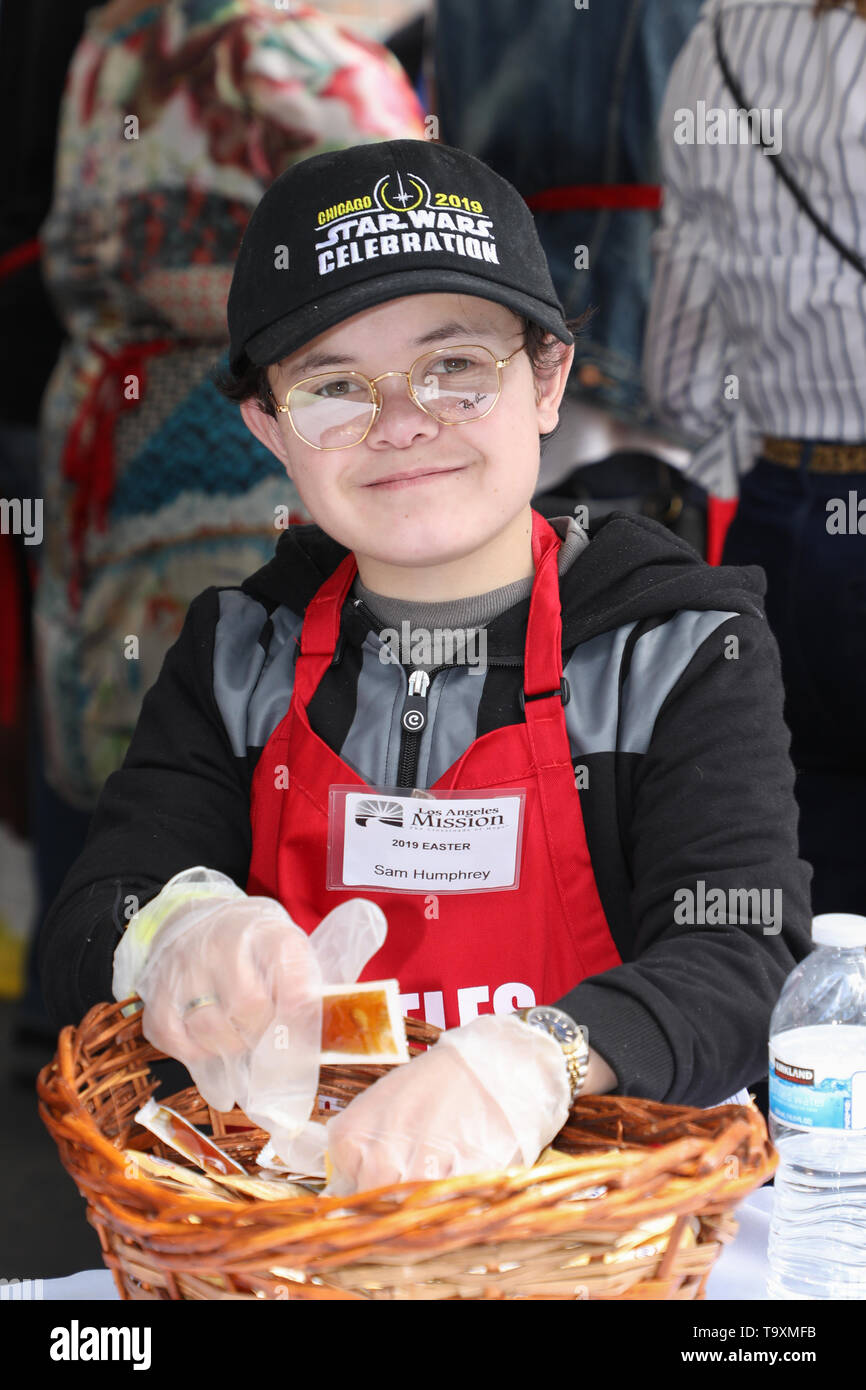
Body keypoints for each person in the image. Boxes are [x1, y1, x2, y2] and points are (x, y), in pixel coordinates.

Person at [40, 138, 812, 1192]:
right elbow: (93, 913)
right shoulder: (237, 655)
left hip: (594, 1232)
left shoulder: (677, 650)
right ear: (270, 429)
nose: (400, 422)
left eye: (453, 368)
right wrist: (180, 931)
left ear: (546, 380)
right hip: (303, 1235)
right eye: (333, 385)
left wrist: (531, 1060)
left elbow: (738, 955)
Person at [643, 0, 866, 917]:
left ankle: (828, 1047)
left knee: (811, 824)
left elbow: (682, 380)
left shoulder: (716, 46)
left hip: (785, 515)